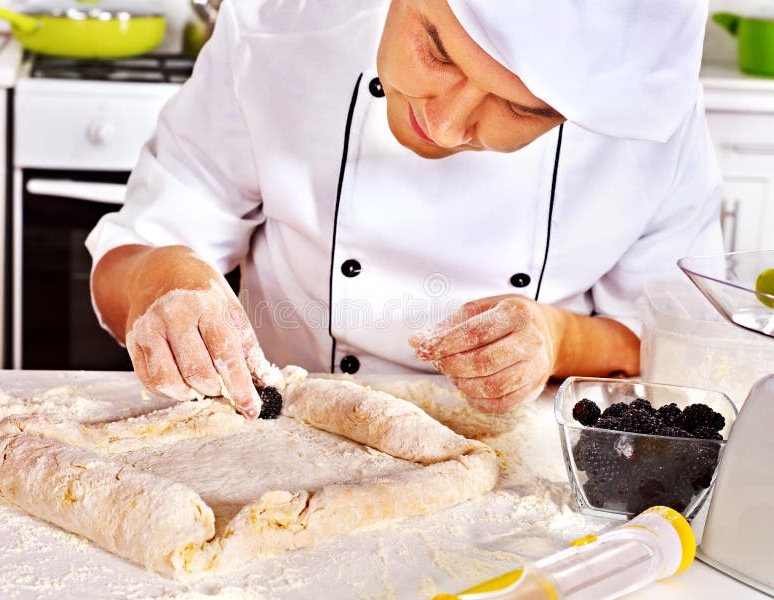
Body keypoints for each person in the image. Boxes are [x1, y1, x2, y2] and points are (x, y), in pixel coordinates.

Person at [86, 0, 722, 418]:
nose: (444, 127)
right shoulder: (280, 29)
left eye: (522, 110)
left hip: (526, 480)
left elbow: (682, 349)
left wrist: (560, 340)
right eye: (438, 49)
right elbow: (134, 256)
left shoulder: (644, 118)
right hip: (280, 453)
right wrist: (160, 279)